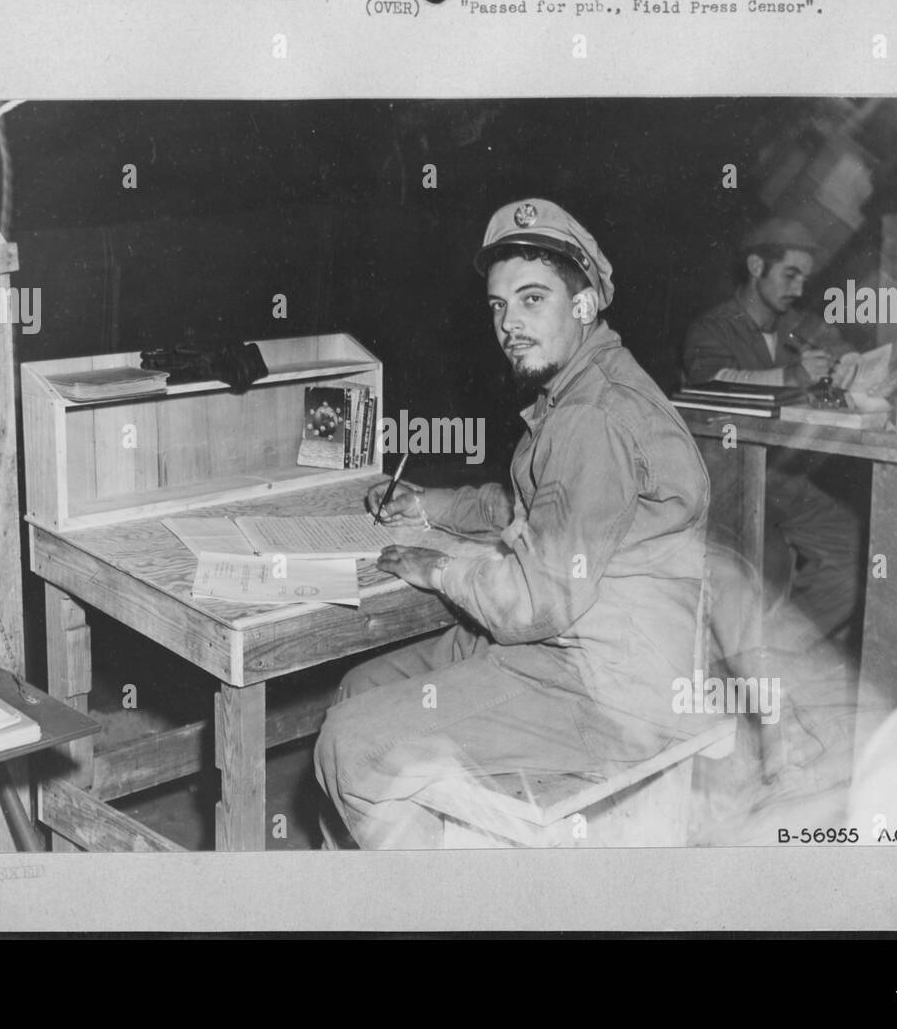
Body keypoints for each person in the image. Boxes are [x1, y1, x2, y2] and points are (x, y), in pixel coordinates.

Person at [314, 198, 712, 849]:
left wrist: (441, 567)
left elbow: (535, 596)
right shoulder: (581, 386)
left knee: (350, 745)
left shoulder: (592, 416)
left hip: (599, 685)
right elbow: (530, 506)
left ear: (583, 304)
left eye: (532, 299)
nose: (508, 324)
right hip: (571, 644)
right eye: (499, 305)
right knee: (361, 686)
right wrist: (427, 504)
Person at [682, 218, 863, 649]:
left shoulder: (796, 325)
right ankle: (746, 657)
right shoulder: (713, 327)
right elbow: (710, 380)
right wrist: (791, 374)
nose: (799, 288)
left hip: (781, 480)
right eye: (790, 274)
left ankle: (783, 652)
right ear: (757, 265)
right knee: (758, 573)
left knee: (849, 546)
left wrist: (850, 364)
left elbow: (841, 347)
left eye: (805, 277)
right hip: (727, 482)